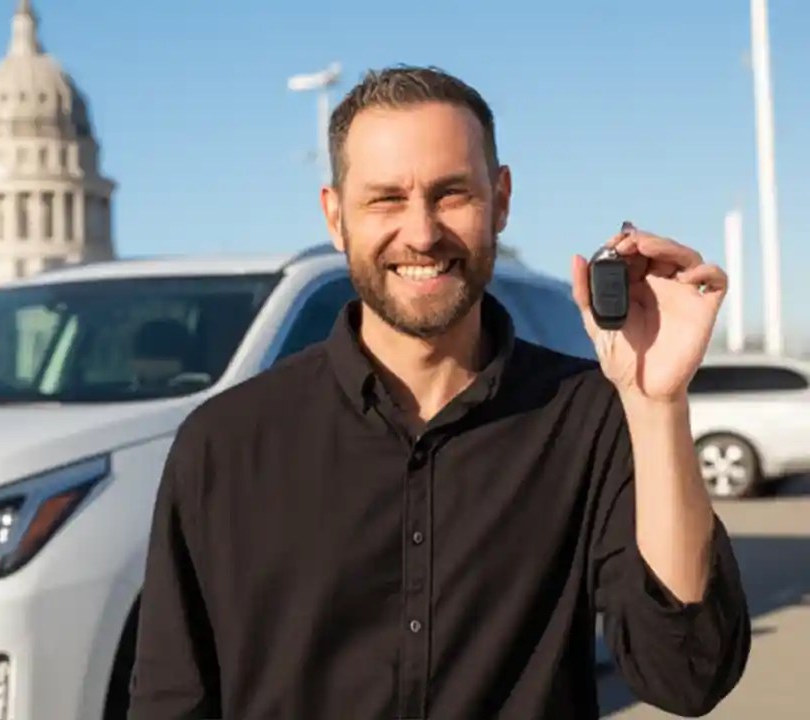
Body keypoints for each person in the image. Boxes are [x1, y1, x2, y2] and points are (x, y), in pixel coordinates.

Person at [126, 65, 750, 719]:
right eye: (386, 199)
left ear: (501, 199)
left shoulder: (589, 420)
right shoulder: (225, 444)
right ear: (335, 216)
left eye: (451, 194)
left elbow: (686, 676)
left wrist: (657, 404)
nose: (422, 233)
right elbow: (172, 699)